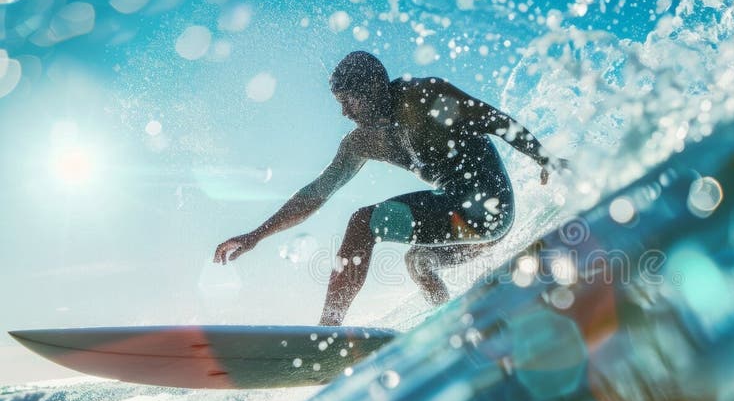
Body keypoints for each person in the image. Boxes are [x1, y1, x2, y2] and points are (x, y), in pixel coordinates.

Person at [214, 51, 563, 325]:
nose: (344, 113)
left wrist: (542, 157)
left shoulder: (424, 95)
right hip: (474, 227)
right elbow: (316, 192)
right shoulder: (363, 142)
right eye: (339, 103)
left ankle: (327, 329)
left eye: (348, 101)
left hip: (488, 208)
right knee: (419, 262)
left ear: (373, 88)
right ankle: (450, 322)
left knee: (363, 222)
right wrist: (257, 235)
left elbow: (494, 120)